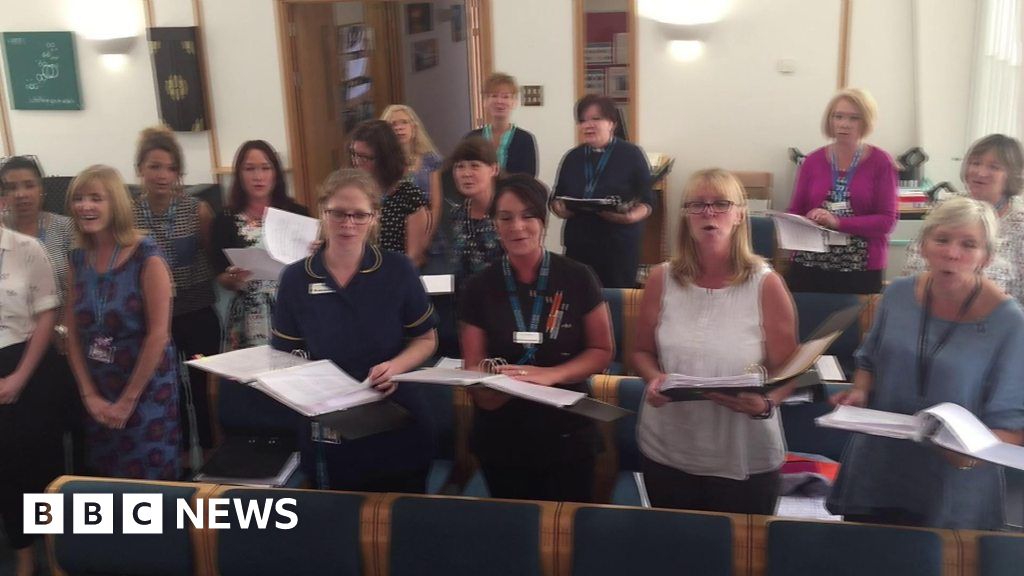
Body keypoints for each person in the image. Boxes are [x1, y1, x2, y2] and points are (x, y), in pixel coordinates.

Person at [828, 197, 1024, 530]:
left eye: (968, 245)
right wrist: (860, 391)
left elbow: (1012, 424)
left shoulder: (1009, 322)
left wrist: (971, 455)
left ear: (986, 257)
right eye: (942, 239)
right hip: (880, 462)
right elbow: (869, 360)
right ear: (924, 244)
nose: (952, 253)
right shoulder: (898, 294)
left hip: (953, 480)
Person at [631, 169, 799, 514]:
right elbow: (640, 351)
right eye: (697, 205)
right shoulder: (662, 279)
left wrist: (767, 403)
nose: (709, 213)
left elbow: (791, 370)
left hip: (742, 452)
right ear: (685, 216)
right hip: (670, 446)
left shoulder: (765, 284)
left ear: (739, 214)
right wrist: (654, 378)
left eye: (720, 204)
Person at [271, 169, 437, 492]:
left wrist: (396, 367)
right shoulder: (295, 279)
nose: (348, 224)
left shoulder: (397, 269)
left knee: (400, 526)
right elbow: (283, 355)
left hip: (395, 417)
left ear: (374, 217)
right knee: (336, 527)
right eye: (338, 213)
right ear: (323, 212)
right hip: (328, 423)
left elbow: (426, 338)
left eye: (359, 215)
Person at [459, 174, 614, 502]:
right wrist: (483, 391)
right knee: (514, 534)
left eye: (528, 215)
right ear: (494, 224)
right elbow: (472, 362)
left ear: (543, 221)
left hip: (568, 430)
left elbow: (601, 350)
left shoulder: (577, 277)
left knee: (569, 533)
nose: (518, 226)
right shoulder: (479, 286)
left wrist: (551, 375)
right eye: (506, 217)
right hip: (501, 432)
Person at [64, 165, 180, 480]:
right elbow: (72, 334)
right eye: (79, 198)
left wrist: (128, 401)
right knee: (107, 481)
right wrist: (89, 395)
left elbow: (159, 336)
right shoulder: (77, 259)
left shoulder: (147, 256)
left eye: (96, 198)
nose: (85, 206)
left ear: (115, 203)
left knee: (149, 484)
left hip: (145, 391)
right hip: (99, 390)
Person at [132, 126, 219, 459]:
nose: (162, 175)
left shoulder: (197, 210)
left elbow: (213, 258)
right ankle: (177, 459)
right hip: (154, 319)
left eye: (170, 168)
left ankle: (213, 458)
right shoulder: (129, 214)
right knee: (167, 391)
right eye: (154, 166)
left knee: (204, 389)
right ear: (140, 169)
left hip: (197, 311)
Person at [0, 202, 63, 576]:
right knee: (4, 468)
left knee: (41, 465)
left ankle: (55, 551)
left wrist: (19, 377)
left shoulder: (27, 248)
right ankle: (22, 551)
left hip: (29, 363)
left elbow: (47, 315)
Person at [786, 88, 898, 294]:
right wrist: (809, 216)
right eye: (838, 116)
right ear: (830, 120)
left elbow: (887, 221)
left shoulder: (881, 162)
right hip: (810, 263)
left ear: (865, 122)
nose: (844, 124)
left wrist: (838, 223)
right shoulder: (812, 161)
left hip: (859, 266)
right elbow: (795, 210)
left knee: (851, 325)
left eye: (853, 118)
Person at [903, 134, 1024, 302]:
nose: (980, 172)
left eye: (994, 167)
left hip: (994, 321)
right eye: (975, 163)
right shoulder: (946, 206)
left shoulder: (1019, 222)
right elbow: (914, 260)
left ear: (1011, 175)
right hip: (932, 308)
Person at [211, 140, 308, 350]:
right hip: (247, 314)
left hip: (290, 306)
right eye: (249, 169)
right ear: (239, 174)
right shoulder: (225, 218)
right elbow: (220, 274)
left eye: (265, 168)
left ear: (276, 173)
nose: (258, 176)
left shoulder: (297, 213)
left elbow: (312, 268)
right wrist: (232, 278)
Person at [551, 94, 653, 288]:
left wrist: (630, 217)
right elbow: (556, 197)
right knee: (578, 300)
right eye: (583, 120)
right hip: (579, 244)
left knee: (615, 304)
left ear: (612, 123)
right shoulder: (573, 157)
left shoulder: (631, 154)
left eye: (596, 119)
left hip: (618, 244)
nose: (588, 125)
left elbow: (648, 201)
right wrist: (559, 208)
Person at [349, 120, 431, 266]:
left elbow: (413, 258)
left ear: (384, 159)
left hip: (395, 278)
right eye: (355, 155)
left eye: (364, 157)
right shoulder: (354, 194)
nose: (356, 162)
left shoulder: (409, 196)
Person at [0, 155, 74, 310]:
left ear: (41, 189)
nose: (21, 194)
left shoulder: (66, 227)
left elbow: (78, 288)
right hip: (11, 328)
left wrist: (63, 329)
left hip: (61, 325)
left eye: (29, 185)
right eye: (12, 188)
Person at [447, 136, 504, 284]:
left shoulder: (507, 214)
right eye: (460, 166)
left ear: (494, 169)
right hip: (460, 301)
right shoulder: (454, 215)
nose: (466, 173)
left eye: (474, 166)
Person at [381, 104, 444, 227]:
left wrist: (428, 233)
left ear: (414, 128)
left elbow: (436, 204)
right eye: (393, 124)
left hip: (426, 228)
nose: (399, 128)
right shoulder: (380, 163)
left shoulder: (430, 160)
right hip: (391, 229)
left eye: (404, 122)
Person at [466, 72, 538, 176]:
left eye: (505, 97)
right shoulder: (471, 138)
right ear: (485, 101)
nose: (499, 101)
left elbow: (528, 179)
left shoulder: (525, 139)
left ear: (514, 102)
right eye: (494, 96)